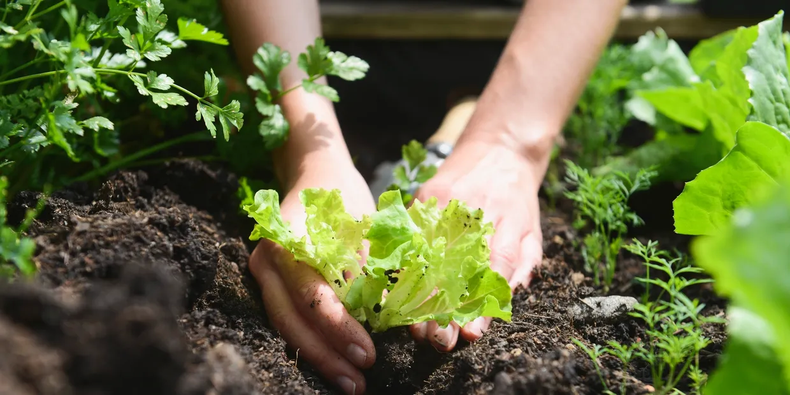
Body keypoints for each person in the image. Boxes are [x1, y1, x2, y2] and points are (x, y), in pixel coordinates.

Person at [220, 1, 628, 394]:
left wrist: (511, 142)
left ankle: (465, 115)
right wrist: (309, 153)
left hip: (547, 48)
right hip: (347, 44)